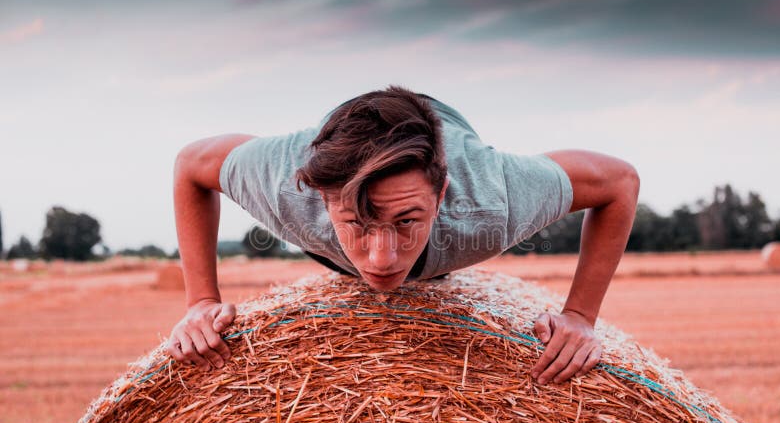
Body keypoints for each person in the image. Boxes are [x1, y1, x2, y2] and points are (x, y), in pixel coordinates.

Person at [167, 85, 639, 386]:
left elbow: (618, 182)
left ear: (441, 194)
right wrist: (200, 301)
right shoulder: (284, 185)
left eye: (406, 221)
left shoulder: (493, 201)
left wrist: (580, 315)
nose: (382, 259)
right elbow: (191, 165)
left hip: (450, 165)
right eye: (357, 223)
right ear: (321, 198)